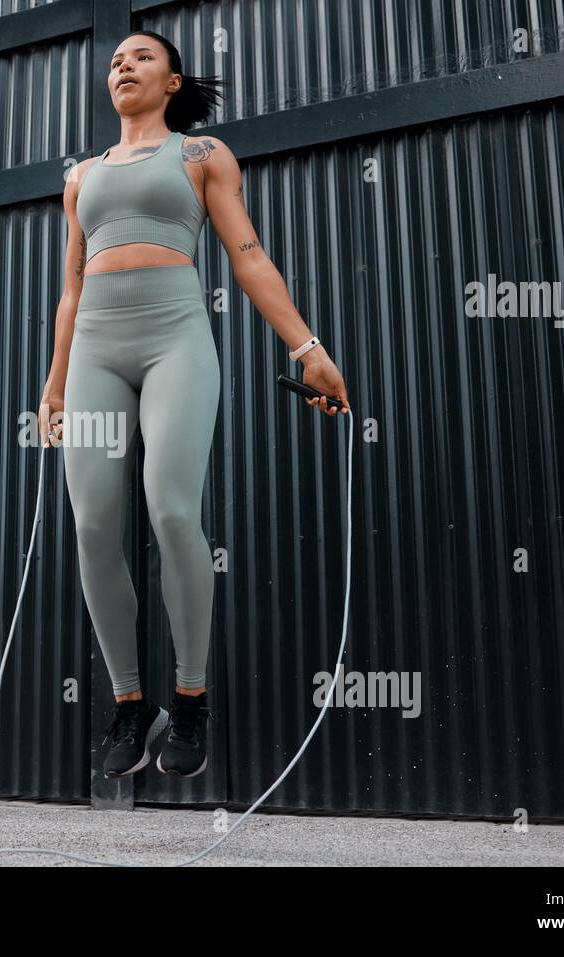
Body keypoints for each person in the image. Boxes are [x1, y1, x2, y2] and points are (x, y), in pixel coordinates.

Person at [38, 31, 350, 779]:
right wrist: (53, 384)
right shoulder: (81, 177)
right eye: (114, 60)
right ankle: (128, 700)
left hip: (175, 337)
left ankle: (191, 694)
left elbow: (248, 257)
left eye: (139, 57)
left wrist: (307, 349)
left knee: (173, 509)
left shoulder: (202, 155)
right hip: (95, 352)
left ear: (172, 80)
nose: (122, 65)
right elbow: (71, 290)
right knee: (90, 522)